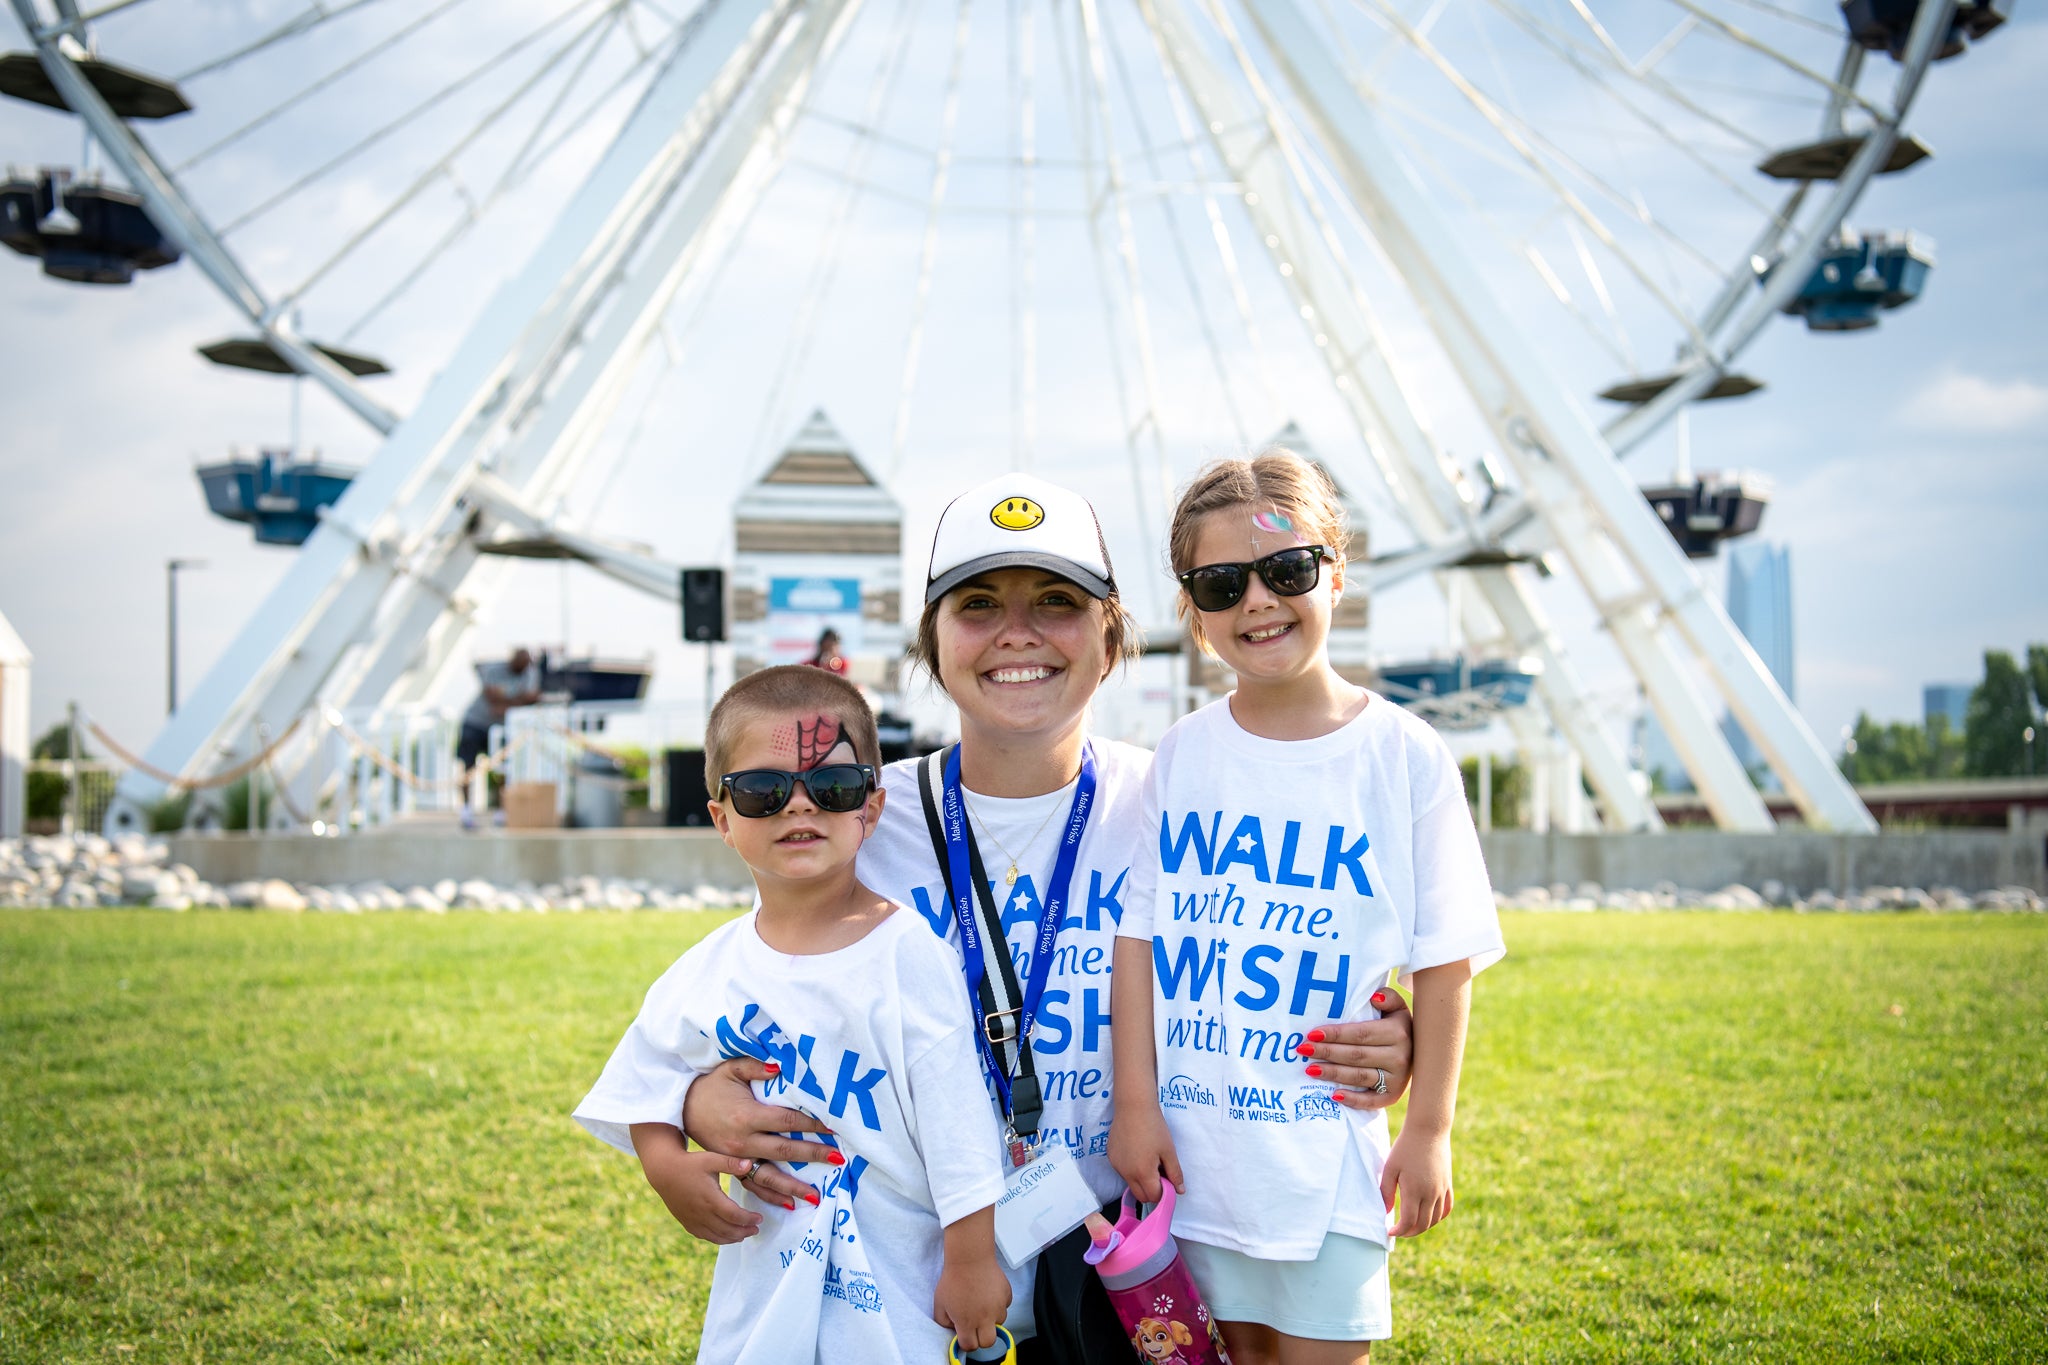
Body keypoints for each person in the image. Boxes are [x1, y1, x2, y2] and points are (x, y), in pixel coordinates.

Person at [653, 472, 1419, 1364]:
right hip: (902, 1292)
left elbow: (1276, 952)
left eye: (1057, 600)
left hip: (1118, 1282)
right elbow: (751, 988)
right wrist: (695, 1098)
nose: (1018, 631)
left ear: (1111, 633)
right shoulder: (855, 812)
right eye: (978, 604)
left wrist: (1381, 1039)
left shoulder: (1182, 797)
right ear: (932, 641)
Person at [1109, 451, 1505, 1365]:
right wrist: (1137, 1101)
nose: (1258, 602)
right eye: (1221, 583)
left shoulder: (1405, 756)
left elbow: (1445, 961)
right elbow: (1139, 939)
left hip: (1326, 1165)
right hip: (1195, 1161)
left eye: (1287, 571)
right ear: (1192, 606)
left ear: (1335, 567)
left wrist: (1430, 1128)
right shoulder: (1182, 756)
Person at [573, 665, 1011, 1362]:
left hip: (899, 1284)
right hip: (766, 1288)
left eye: (832, 787)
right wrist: (666, 1167)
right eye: (762, 790)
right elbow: (642, 1077)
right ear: (722, 817)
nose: (799, 807)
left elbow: (959, 1125)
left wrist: (971, 1260)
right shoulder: (709, 967)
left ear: (870, 807)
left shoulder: (907, 955)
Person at [455, 647, 541, 823]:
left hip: (500, 728)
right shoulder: (494, 670)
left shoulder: (530, 674)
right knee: (468, 767)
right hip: (475, 722)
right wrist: (517, 700)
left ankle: (502, 810)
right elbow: (492, 699)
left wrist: (508, 702)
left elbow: (531, 698)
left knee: (504, 768)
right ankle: (466, 809)